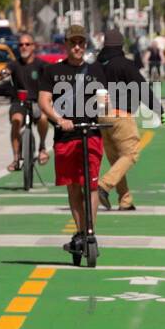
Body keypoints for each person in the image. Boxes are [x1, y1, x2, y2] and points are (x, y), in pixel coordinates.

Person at [38, 25, 109, 256]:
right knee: (74, 186)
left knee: (91, 184)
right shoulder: (52, 72)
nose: (77, 47)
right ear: (66, 45)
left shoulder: (96, 70)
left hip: (91, 134)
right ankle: (80, 231)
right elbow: (44, 101)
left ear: (85, 45)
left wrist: (105, 105)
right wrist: (59, 119)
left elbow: (103, 100)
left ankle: (90, 232)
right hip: (66, 137)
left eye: (80, 43)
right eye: (72, 43)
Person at [95, 28, 165, 211]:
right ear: (121, 45)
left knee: (116, 159)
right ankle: (104, 185)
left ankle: (125, 200)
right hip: (121, 114)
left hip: (101, 115)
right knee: (131, 153)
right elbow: (143, 90)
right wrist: (159, 111)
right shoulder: (125, 65)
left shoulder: (97, 65)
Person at [6, 32, 50, 171]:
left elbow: (52, 76)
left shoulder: (42, 65)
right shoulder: (14, 64)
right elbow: (5, 71)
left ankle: (42, 147)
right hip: (19, 102)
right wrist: (1, 74)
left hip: (37, 102)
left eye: (27, 44)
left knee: (43, 118)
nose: (23, 47)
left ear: (33, 47)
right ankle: (16, 158)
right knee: (16, 121)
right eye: (21, 45)